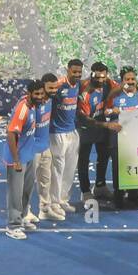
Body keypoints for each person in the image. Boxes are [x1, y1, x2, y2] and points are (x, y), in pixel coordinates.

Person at [4, 79, 44, 239]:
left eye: (42, 93)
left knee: (27, 190)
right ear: (30, 94)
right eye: (37, 94)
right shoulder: (23, 110)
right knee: (16, 192)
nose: (40, 97)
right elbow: (10, 133)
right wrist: (16, 160)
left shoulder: (33, 105)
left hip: (28, 154)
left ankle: (23, 216)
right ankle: (13, 225)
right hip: (17, 158)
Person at [48, 58, 85, 218]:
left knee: (70, 169)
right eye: (74, 71)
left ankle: (63, 199)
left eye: (79, 72)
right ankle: (53, 203)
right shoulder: (59, 85)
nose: (77, 74)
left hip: (72, 132)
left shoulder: (78, 85)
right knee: (57, 169)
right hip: (57, 133)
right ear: (68, 70)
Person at [77, 62, 118, 202]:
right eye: (98, 77)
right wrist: (106, 124)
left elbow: (120, 88)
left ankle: (100, 185)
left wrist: (136, 87)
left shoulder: (109, 83)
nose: (101, 80)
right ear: (91, 74)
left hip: (101, 123)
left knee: (104, 155)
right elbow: (85, 118)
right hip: (86, 126)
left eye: (103, 77)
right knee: (84, 158)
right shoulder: (85, 91)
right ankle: (85, 190)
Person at [109, 66, 138, 210]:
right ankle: (118, 196)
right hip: (118, 137)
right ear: (122, 80)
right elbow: (105, 111)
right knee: (118, 166)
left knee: (135, 163)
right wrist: (112, 111)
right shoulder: (115, 96)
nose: (130, 82)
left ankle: (133, 194)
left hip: (136, 137)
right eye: (127, 79)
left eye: (133, 79)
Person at [33, 73, 59, 221]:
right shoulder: (32, 104)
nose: (54, 91)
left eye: (55, 88)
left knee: (45, 182)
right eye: (51, 88)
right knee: (28, 184)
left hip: (45, 147)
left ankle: (44, 209)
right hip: (32, 150)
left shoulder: (50, 100)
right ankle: (25, 211)